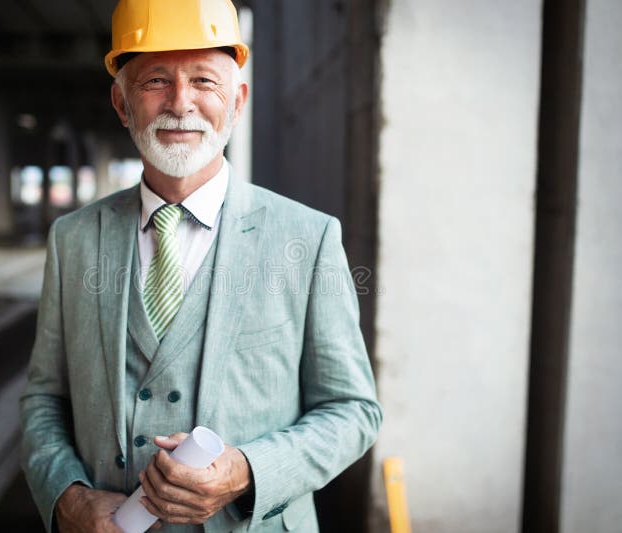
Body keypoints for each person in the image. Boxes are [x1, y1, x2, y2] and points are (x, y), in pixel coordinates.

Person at [20, 1, 382, 532]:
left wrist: (248, 471)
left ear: (237, 101)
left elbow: (353, 410)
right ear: (122, 104)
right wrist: (68, 498)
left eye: (204, 81)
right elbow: (45, 400)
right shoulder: (73, 239)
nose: (180, 103)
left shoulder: (307, 237)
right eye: (155, 81)